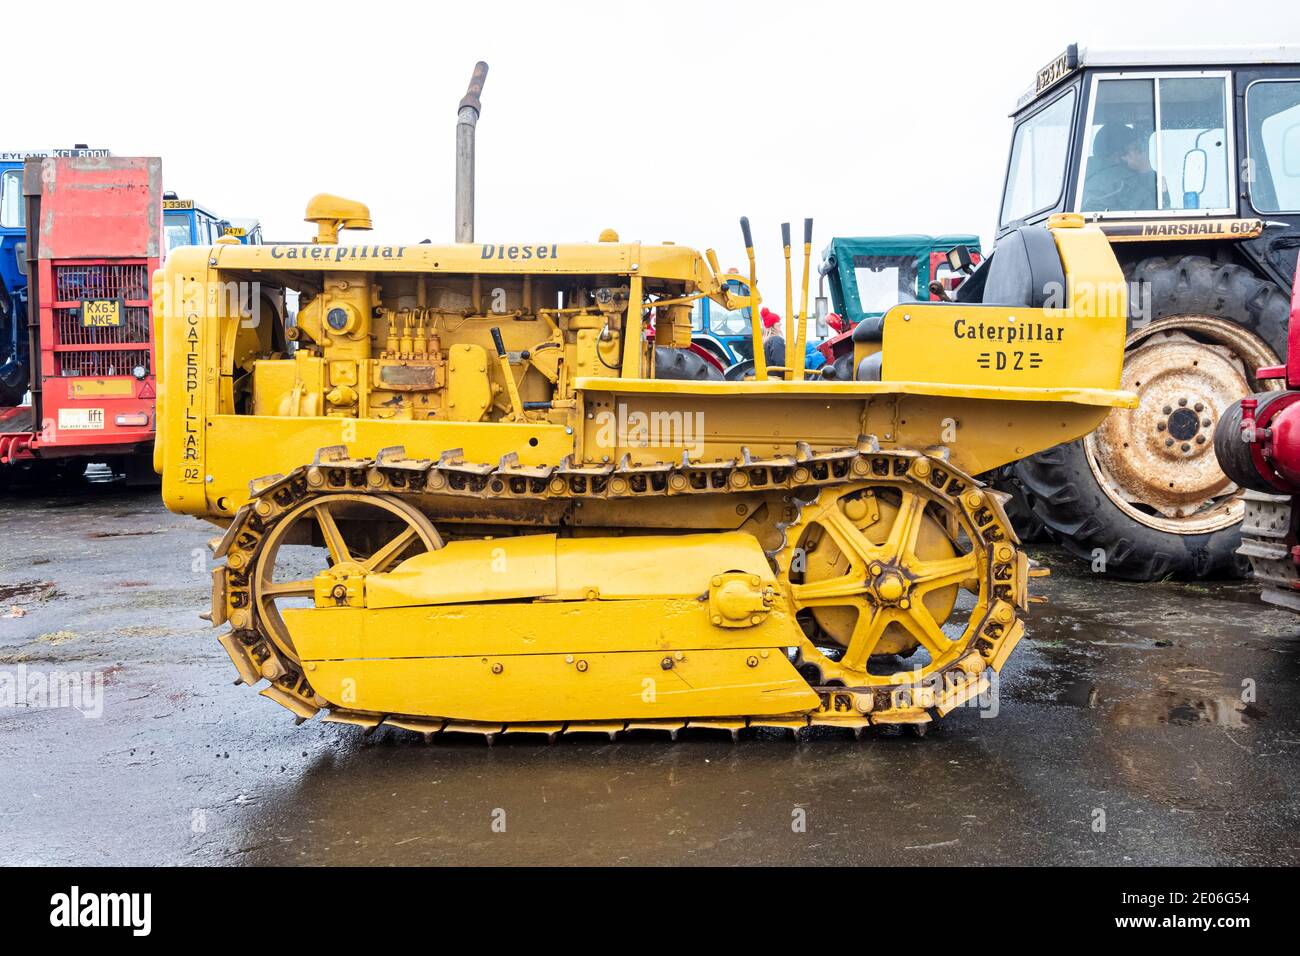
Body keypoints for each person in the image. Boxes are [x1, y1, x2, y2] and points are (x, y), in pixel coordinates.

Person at [1081, 124, 1159, 212]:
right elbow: (1153, 209)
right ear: (1119, 155)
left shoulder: (1083, 171)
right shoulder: (1121, 180)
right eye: (1137, 149)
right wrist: (1145, 169)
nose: (1142, 154)